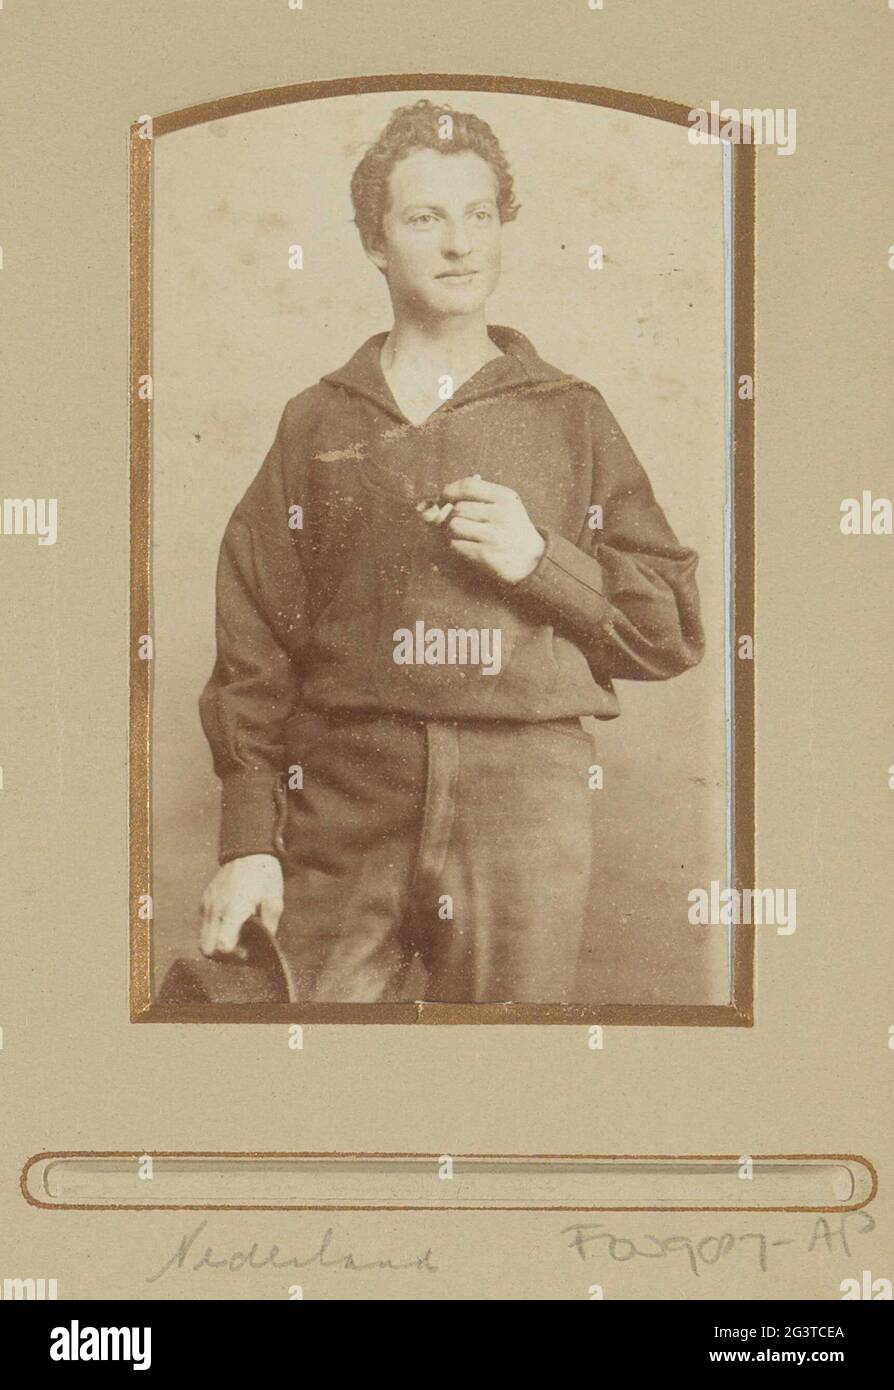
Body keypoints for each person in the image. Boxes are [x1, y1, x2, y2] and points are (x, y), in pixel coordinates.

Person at [196, 98, 704, 1003]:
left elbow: (667, 632)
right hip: (343, 802)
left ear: (503, 227)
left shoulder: (570, 414)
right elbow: (254, 647)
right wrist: (246, 840)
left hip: (523, 809)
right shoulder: (316, 422)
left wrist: (540, 559)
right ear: (375, 243)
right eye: (425, 217)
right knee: (312, 1070)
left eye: (478, 215)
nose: (459, 243)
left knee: (507, 1082)